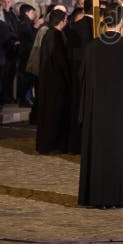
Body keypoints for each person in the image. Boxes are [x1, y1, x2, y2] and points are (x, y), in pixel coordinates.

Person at [78, 5, 123, 208]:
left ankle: (97, 196)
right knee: (120, 151)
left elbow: (83, 81)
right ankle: (120, 195)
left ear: (103, 20)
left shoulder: (91, 48)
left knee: (99, 151)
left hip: (97, 112)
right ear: (121, 21)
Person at [36, 9, 72, 154]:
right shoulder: (55, 35)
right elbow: (59, 60)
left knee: (49, 112)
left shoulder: (49, 34)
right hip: (56, 81)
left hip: (48, 79)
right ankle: (51, 144)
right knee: (54, 113)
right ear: (63, 21)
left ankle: (47, 144)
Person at [66, 0, 96, 154]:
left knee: (77, 107)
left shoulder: (74, 26)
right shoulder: (99, 27)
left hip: (77, 72)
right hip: (93, 74)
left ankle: (75, 144)